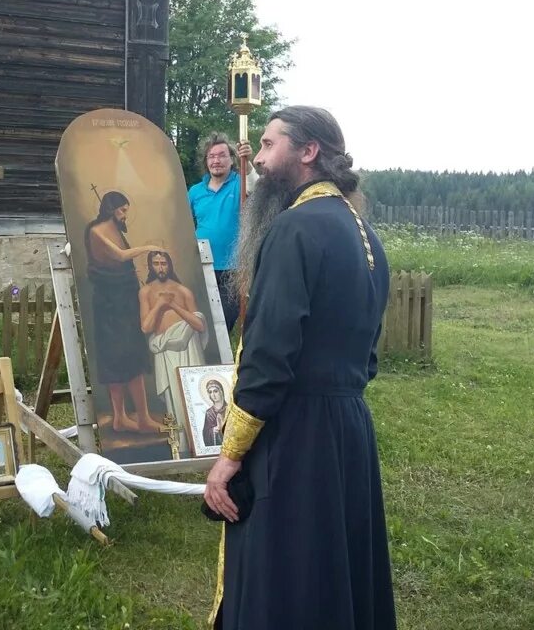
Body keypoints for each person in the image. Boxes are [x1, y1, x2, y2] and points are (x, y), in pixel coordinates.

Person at [203, 106, 395, 630]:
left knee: (287, 577)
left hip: (296, 436)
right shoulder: (366, 237)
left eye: (268, 146)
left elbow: (267, 358)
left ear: (308, 152)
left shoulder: (293, 230)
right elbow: (368, 357)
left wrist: (230, 456)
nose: (258, 160)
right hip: (347, 431)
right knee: (333, 572)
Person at [84, 191, 164, 433]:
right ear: (111, 209)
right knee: (115, 356)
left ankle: (142, 417)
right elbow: (119, 256)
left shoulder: (117, 229)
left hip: (126, 299)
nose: (125, 214)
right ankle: (120, 416)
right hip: (109, 303)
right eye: (122, 210)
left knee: (133, 355)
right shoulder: (96, 231)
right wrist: (148, 247)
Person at [187, 132, 259, 335]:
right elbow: (182, 223)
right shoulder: (195, 191)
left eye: (222, 155)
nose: (216, 161)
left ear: (232, 159)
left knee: (223, 325)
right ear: (206, 161)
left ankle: (224, 365)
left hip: (233, 269)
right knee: (201, 323)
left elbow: (259, 191)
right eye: (212, 156)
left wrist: (249, 165)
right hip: (201, 266)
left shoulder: (241, 183)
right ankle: (204, 365)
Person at [138, 249, 207, 454]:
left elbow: (199, 324)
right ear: (151, 266)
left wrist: (174, 305)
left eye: (164, 263)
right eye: (156, 263)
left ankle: (202, 444)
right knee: (174, 400)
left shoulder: (184, 291)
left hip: (188, 349)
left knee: (193, 395)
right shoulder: (146, 292)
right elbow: (146, 327)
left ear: (170, 265)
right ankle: (182, 447)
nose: (161, 267)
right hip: (165, 351)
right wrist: (159, 304)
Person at [201, 380, 227, 447]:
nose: (213, 395)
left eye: (215, 391)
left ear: (221, 391)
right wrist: (214, 430)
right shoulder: (209, 413)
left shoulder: (230, 409)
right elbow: (206, 433)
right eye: (210, 392)